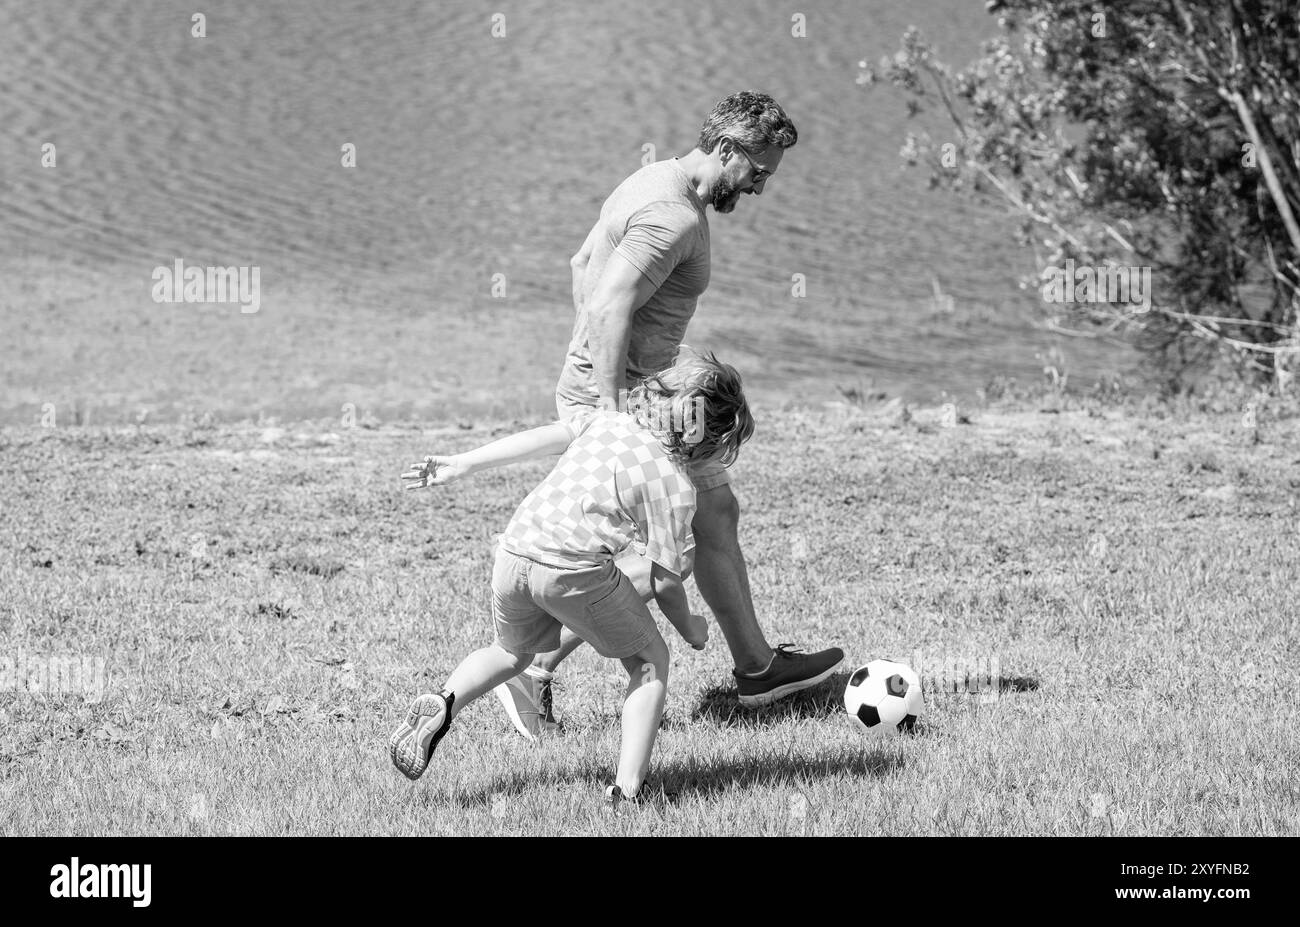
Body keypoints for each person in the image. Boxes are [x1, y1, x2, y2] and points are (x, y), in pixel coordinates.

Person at [495, 91, 842, 736]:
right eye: (758, 172)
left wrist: (593, 362)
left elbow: (581, 268)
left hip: (649, 392)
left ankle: (756, 669)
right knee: (653, 553)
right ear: (727, 147)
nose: (761, 188)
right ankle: (534, 664)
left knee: (714, 514)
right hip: (635, 403)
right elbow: (607, 308)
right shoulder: (672, 216)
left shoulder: (650, 180)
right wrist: (610, 405)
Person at [390, 353, 754, 805]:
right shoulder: (676, 487)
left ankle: (444, 702)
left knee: (510, 652)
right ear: (709, 440)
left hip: (514, 551)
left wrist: (464, 463)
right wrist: (690, 627)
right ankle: (627, 790)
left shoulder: (609, 422)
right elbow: (665, 582)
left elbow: (546, 437)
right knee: (650, 661)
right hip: (571, 570)